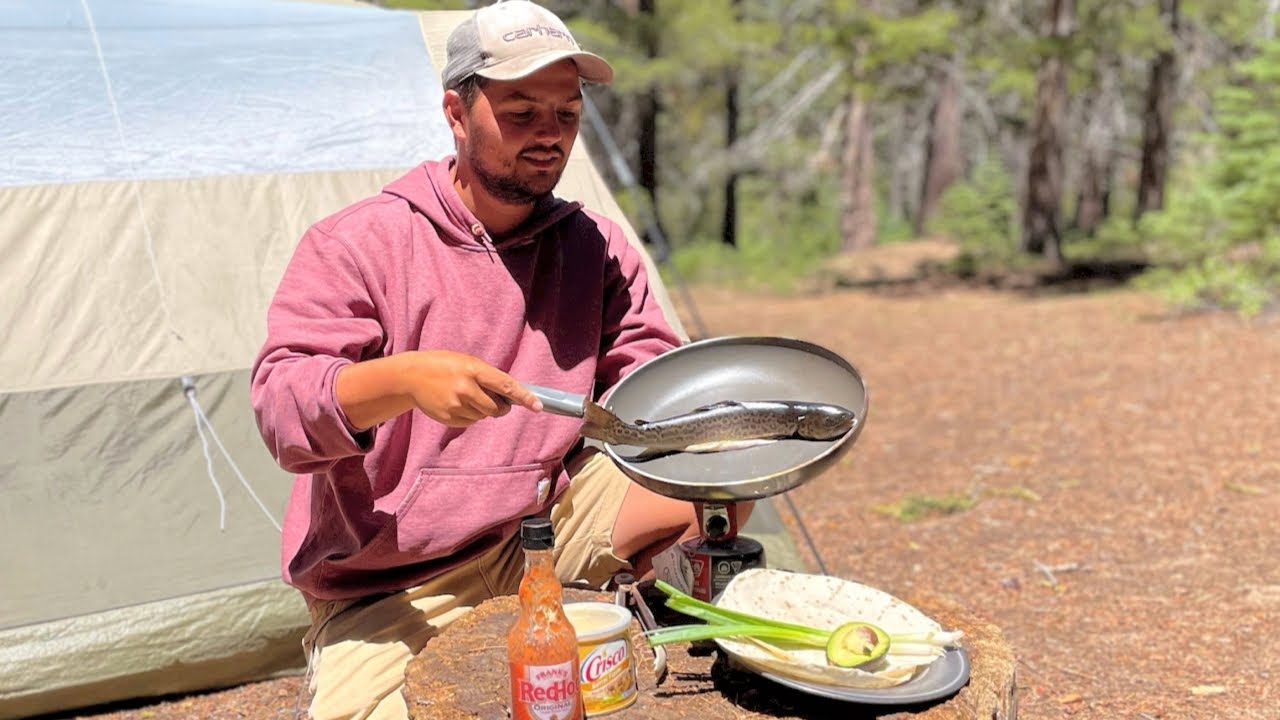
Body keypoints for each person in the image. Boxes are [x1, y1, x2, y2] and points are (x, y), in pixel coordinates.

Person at [249, 2, 709, 718]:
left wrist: (725, 442)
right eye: (521, 111)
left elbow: (649, 384)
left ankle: (623, 625)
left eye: (567, 110)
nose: (550, 134)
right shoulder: (360, 244)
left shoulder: (595, 246)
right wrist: (403, 379)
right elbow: (284, 412)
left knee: (710, 478)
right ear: (456, 114)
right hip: (393, 580)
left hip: (539, 534)